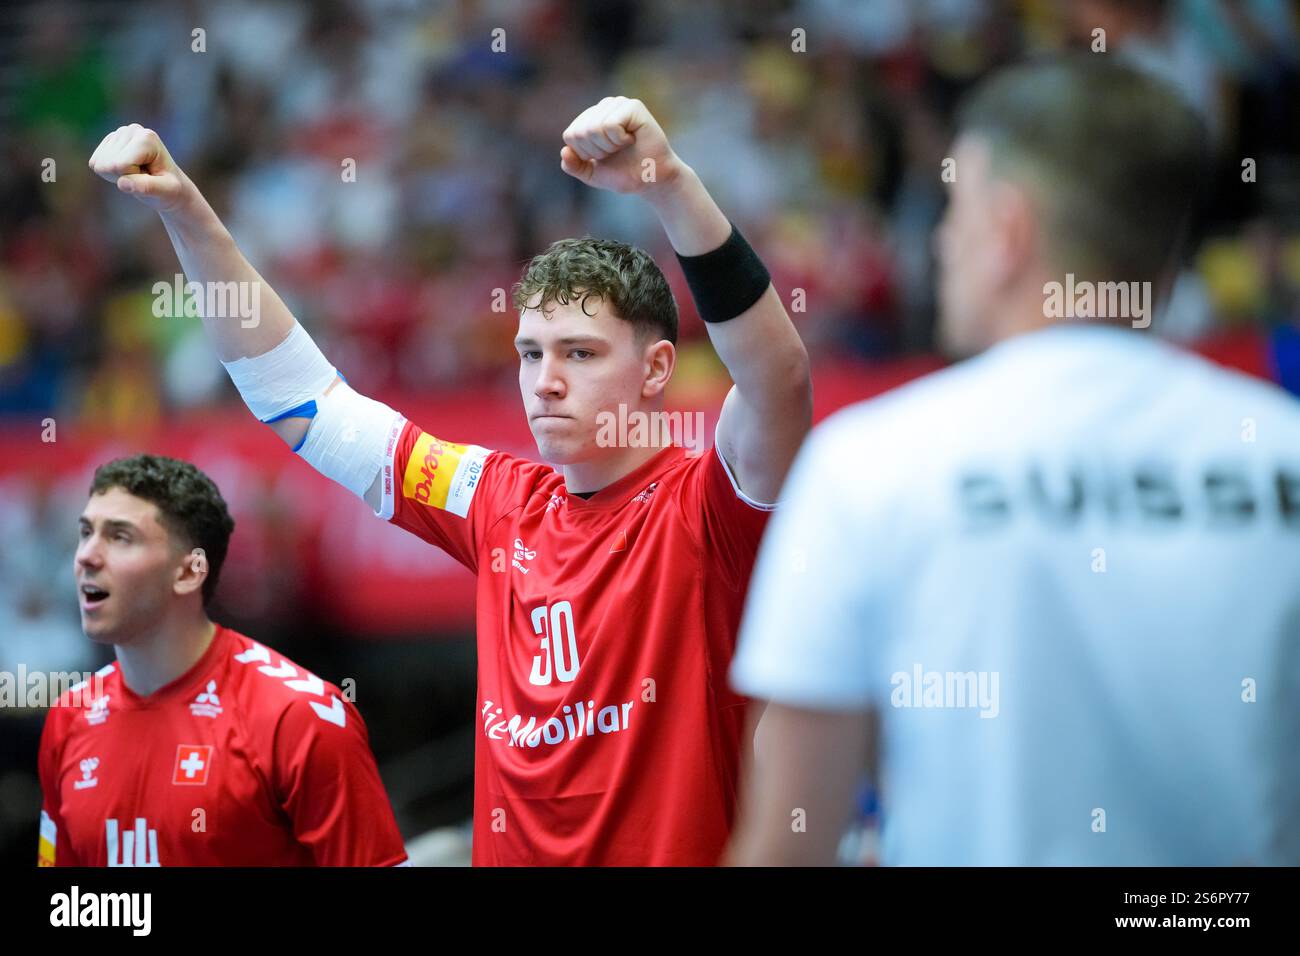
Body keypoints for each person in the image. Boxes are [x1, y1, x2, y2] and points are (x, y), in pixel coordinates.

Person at [88, 96, 812, 865]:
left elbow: (779, 376)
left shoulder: (709, 506)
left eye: (580, 353)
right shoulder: (498, 501)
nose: (546, 383)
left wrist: (668, 183)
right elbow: (302, 402)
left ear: (658, 369)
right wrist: (187, 210)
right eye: (531, 354)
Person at [726, 56, 1300, 866]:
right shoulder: (1283, 452)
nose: (939, 238)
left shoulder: (870, 468)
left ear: (1009, 230)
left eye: (955, 206)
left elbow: (787, 845)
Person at [38, 454, 408, 866]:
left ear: (188, 573)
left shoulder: (299, 718)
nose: (86, 556)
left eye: (120, 537)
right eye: (86, 533)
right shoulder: (68, 719)